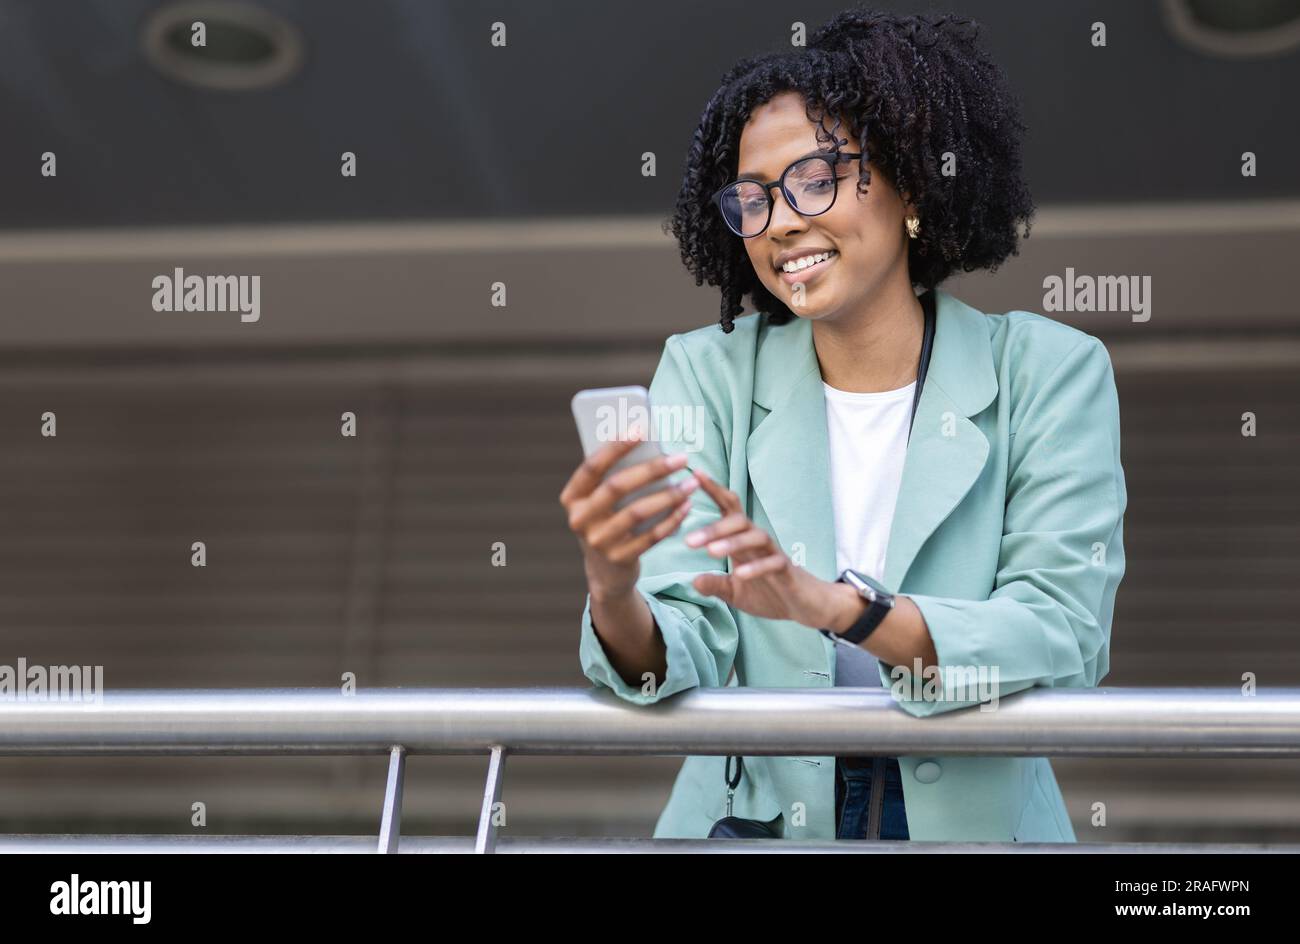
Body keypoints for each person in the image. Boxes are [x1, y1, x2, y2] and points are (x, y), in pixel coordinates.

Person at [558, 7, 1126, 842]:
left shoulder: (1049, 372)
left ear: (910, 187)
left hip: (975, 823)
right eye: (752, 198)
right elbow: (675, 657)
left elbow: (1063, 634)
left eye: (815, 179)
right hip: (758, 820)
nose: (781, 221)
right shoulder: (708, 372)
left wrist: (840, 608)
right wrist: (612, 589)